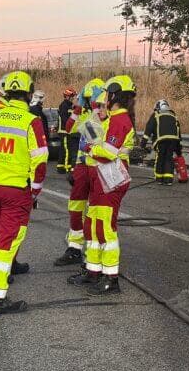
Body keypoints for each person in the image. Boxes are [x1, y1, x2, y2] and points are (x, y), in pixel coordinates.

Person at [0, 71, 48, 315]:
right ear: (28, 93)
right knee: (6, 243)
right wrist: (35, 191)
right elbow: (41, 160)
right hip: (16, 191)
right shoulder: (30, 121)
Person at [70, 75, 136, 295]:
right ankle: (93, 271)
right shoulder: (108, 118)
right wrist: (87, 119)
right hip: (100, 178)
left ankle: (111, 277)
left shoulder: (120, 120)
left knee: (105, 229)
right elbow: (82, 130)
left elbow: (107, 152)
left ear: (115, 95)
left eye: (107, 95)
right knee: (93, 226)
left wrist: (89, 148)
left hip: (110, 178)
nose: (103, 99)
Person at [54, 78, 104, 266]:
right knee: (75, 208)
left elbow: (96, 137)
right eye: (87, 99)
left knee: (95, 212)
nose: (89, 103)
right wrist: (77, 109)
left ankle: (94, 256)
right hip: (82, 166)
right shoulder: (85, 113)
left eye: (92, 99)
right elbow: (69, 128)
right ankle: (74, 249)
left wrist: (96, 112)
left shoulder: (106, 115)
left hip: (99, 168)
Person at [144, 99, 182, 185]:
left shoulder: (156, 115)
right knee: (169, 158)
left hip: (161, 140)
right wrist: (179, 151)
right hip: (173, 141)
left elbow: (148, 129)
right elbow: (178, 132)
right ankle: (168, 180)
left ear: (158, 107)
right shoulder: (174, 116)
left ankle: (159, 179)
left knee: (160, 158)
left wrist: (142, 144)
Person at [55, 87, 77, 172]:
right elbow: (65, 119)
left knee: (65, 149)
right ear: (68, 96)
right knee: (66, 150)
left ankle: (61, 166)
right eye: (72, 97)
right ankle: (66, 167)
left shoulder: (69, 105)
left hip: (67, 131)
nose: (73, 98)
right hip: (64, 131)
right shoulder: (64, 105)